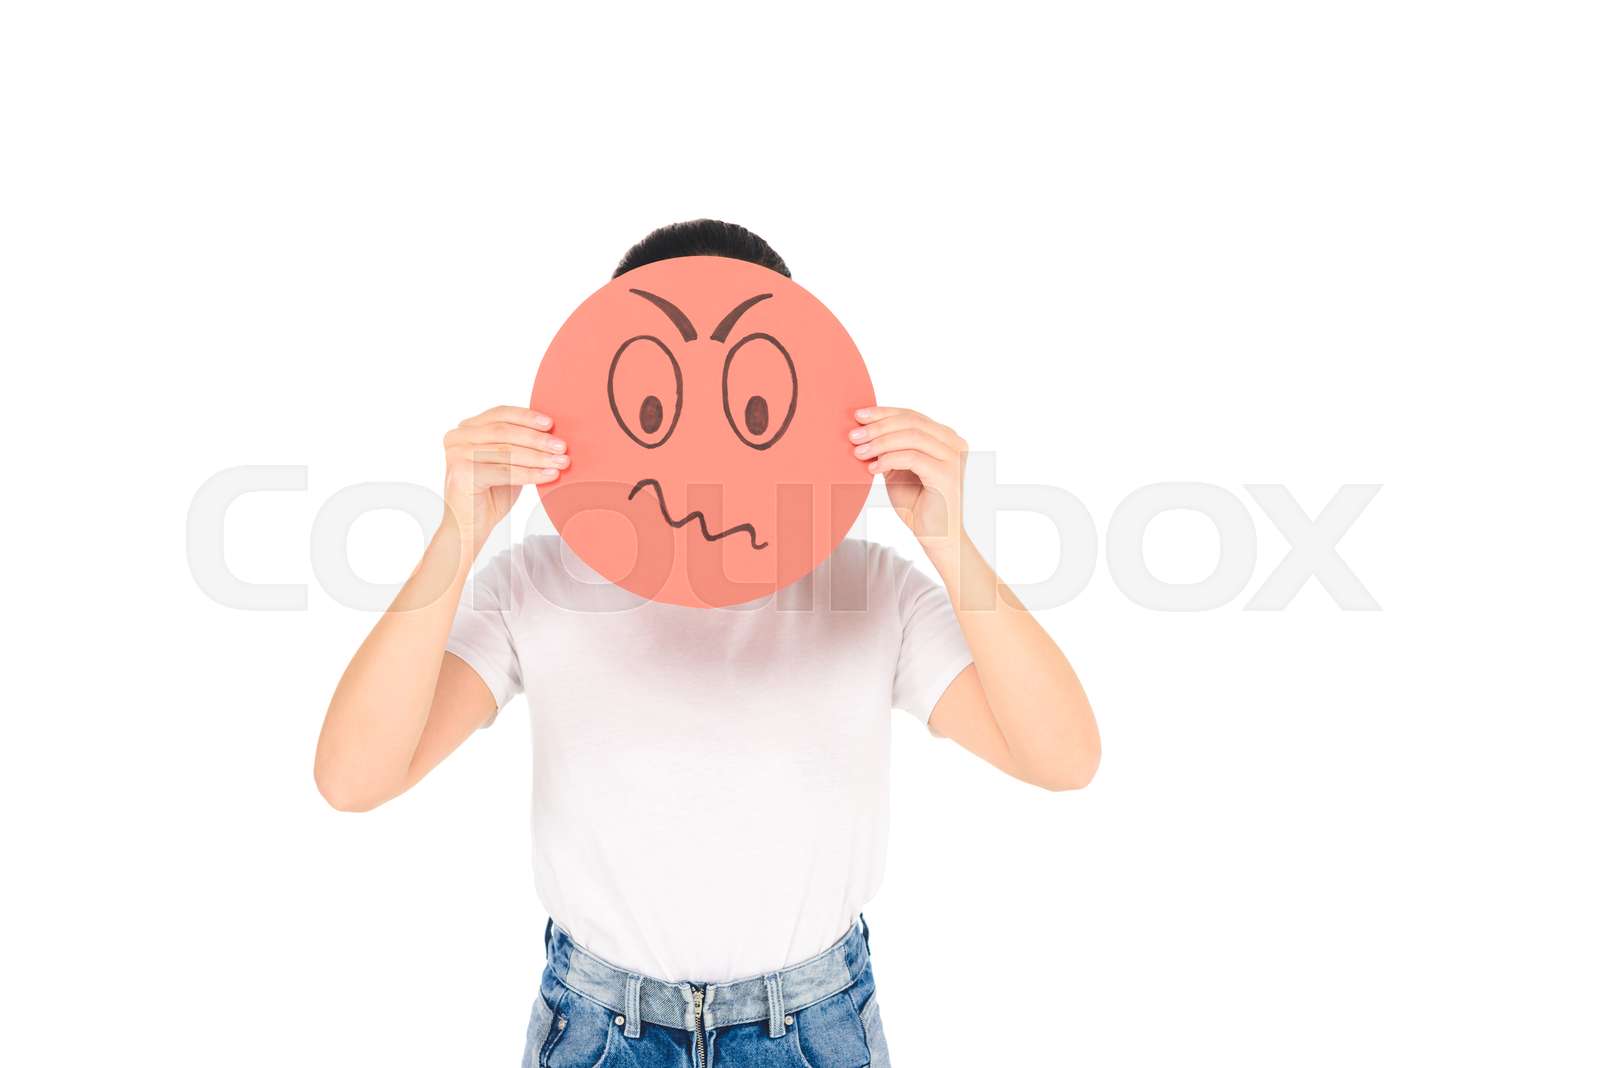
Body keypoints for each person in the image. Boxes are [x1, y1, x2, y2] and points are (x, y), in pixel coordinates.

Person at [314, 219, 1100, 1067]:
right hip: (598, 1028)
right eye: (656, 409)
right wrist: (460, 531)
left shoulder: (869, 589)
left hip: (812, 1027)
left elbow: (1062, 757)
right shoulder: (534, 585)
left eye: (753, 410)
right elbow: (355, 778)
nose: (705, 449)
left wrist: (949, 538)